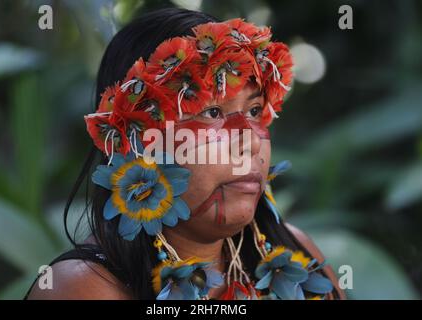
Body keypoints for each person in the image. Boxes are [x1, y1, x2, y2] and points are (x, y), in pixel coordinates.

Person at [26, 7, 345, 300]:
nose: (250, 141)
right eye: (212, 111)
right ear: (139, 139)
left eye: (255, 109)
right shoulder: (83, 288)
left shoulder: (296, 249)